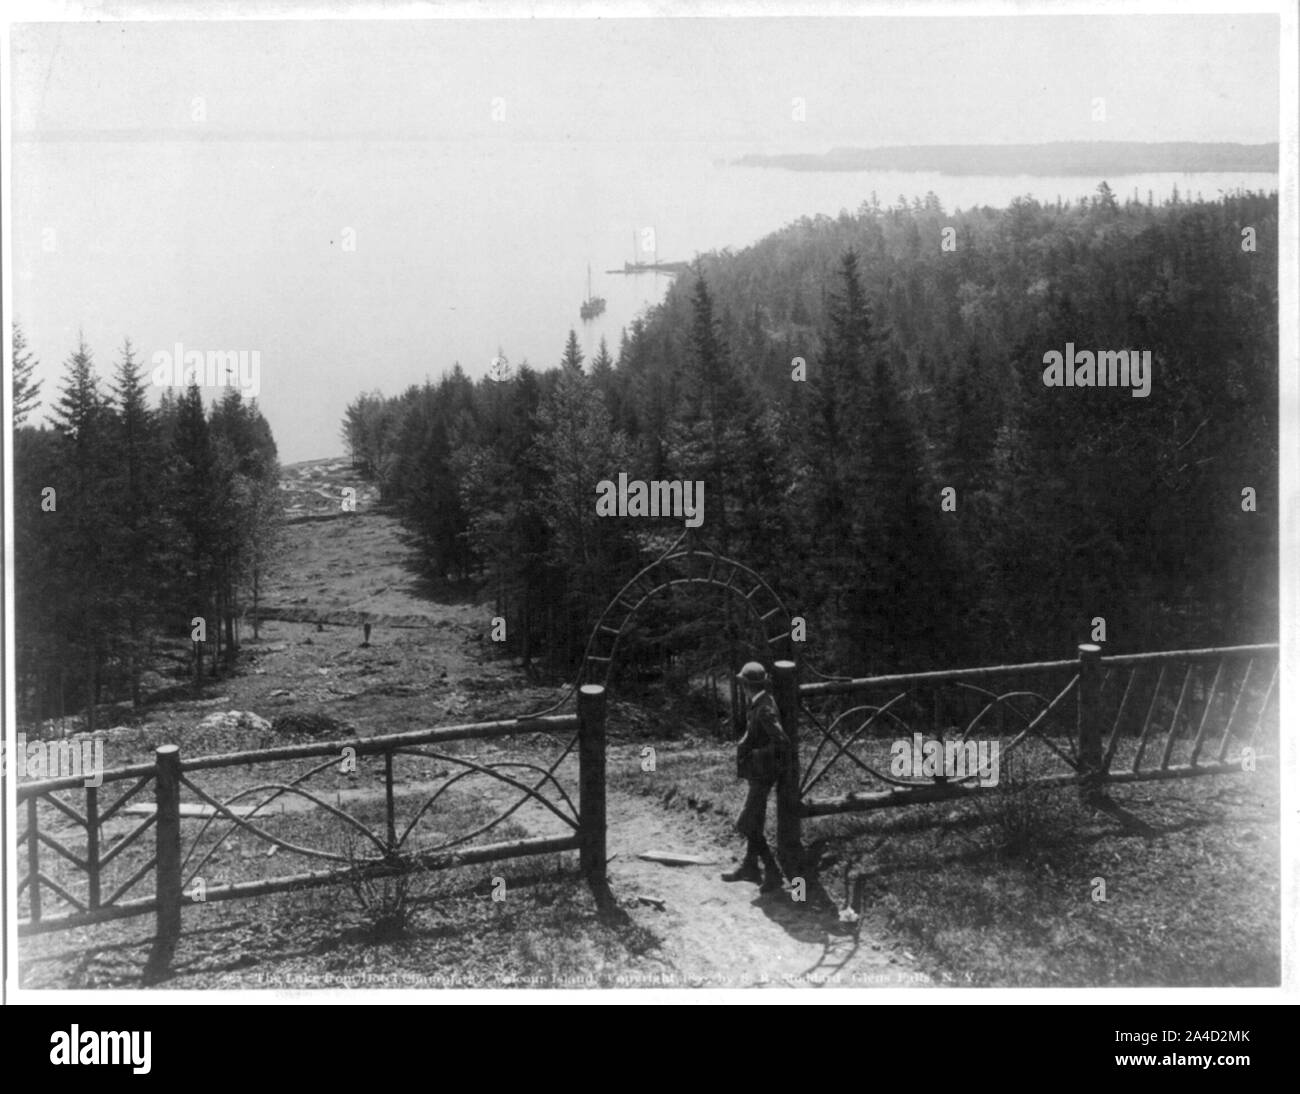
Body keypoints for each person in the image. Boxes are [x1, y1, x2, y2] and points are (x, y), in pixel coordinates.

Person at [721, 661, 789, 894]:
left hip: (763, 774)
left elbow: (781, 742)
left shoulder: (764, 708)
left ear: (746, 685)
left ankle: (773, 872)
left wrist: (755, 756)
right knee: (756, 820)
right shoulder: (760, 702)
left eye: (742, 683)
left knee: (745, 823)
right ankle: (750, 866)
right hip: (758, 773)